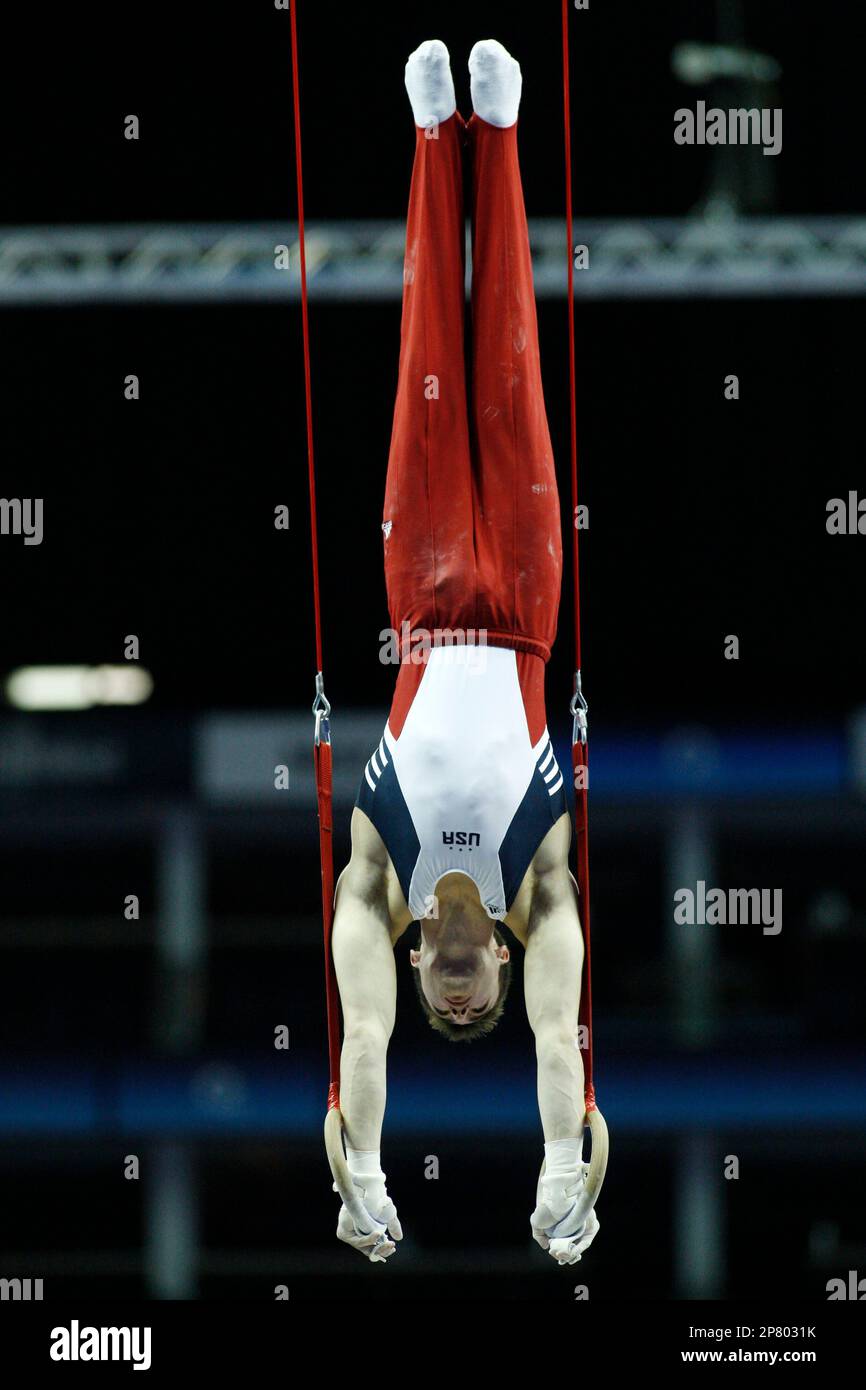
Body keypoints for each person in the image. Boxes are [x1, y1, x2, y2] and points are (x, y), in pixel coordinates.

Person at [330, 39, 600, 1267]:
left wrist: (366, 1176)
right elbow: (561, 1045)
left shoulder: (373, 885)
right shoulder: (536, 892)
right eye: (470, 998)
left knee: (424, 358)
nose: (450, 993)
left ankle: (433, 135)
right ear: (496, 962)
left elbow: (363, 1046)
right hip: (532, 600)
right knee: (508, 366)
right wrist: (562, 1168)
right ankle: (501, 131)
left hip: (423, 588)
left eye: (438, 1000)